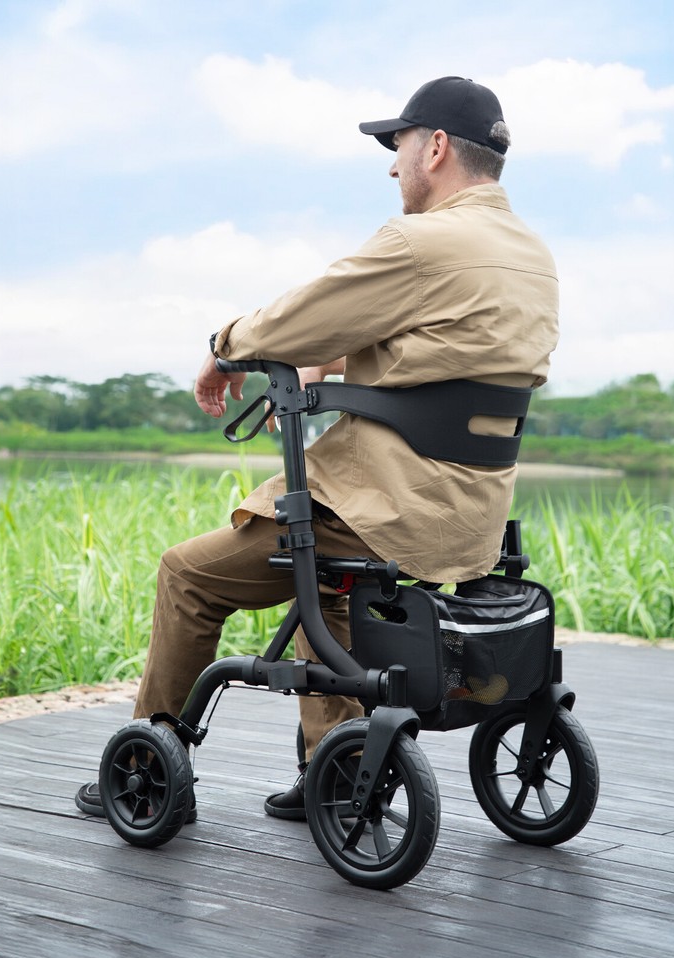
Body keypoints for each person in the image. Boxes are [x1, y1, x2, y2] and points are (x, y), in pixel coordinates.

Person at [75, 75, 559, 822]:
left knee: (188, 575)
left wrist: (224, 342)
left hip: (385, 510)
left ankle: (147, 763)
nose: (391, 165)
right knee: (327, 592)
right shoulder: (531, 258)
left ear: (434, 147)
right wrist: (329, 364)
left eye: (397, 146)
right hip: (465, 521)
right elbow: (436, 353)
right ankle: (335, 769)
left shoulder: (421, 241)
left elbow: (298, 316)